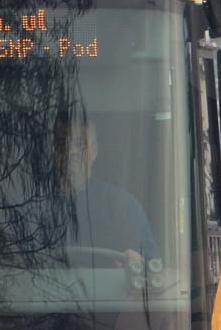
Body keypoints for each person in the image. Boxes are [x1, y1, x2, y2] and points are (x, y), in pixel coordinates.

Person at [53, 114, 159, 268]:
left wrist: (137, 260)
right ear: (55, 152)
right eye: (64, 144)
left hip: (111, 293)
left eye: (80, 144)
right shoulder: (37, 207)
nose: (72, 152)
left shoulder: (122, 206)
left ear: (94, 152)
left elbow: (152, 267)